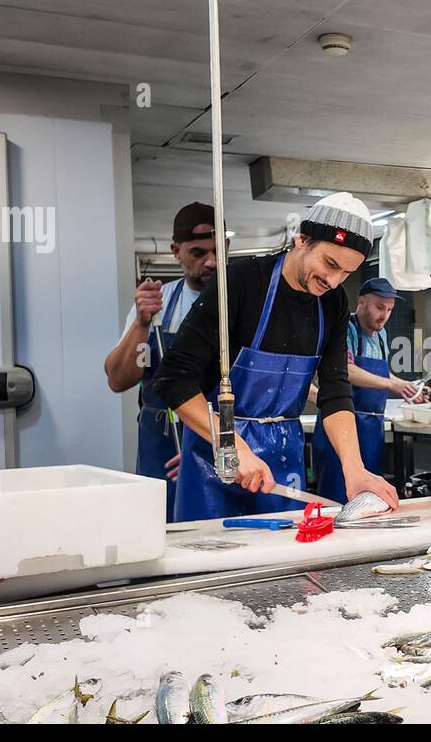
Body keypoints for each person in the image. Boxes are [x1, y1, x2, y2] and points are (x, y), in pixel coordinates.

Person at [151, 192, 399, 520]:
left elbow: (335, 391)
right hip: (218, 465)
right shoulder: (239, 283)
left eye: (346, 273)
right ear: (302, 239)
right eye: (330, 264)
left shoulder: (333, 302)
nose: (334, 281)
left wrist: (354, 470)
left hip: (284, 463)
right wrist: (233, 447)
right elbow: (174, 378)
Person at [103, 202, 221, 521]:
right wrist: (141, 323)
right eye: (198, 253)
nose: (211, 262)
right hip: (161, 445)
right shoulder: (158, 305)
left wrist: (205, 447)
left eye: (217, 251)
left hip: (221, 442)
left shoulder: (239, 306)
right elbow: (118, 380)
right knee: (158, 535)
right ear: (176, 251)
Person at [311, 278, 427, 503]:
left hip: (372, 430)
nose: (384, 315)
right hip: (342, 426)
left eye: (390, 309)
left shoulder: (381, 335)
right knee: (337, 497)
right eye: (379, 307)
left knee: (370, 498)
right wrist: (393, 384)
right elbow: (345, 370)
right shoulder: (347, 329)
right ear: (362, 303)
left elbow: (383, 374)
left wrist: (406, 387)